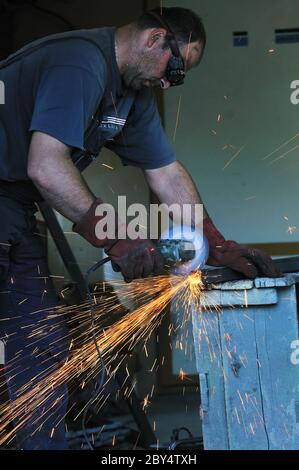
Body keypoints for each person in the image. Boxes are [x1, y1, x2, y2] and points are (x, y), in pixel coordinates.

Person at [0, 7, 279, 450]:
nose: (170, 83)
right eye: (175, 70)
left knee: (41, 348)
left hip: (15, 208)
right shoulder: (81, 62)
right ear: (154, 38)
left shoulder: (132, 95)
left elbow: (165, 172)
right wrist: (116, 237)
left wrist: (215, 242)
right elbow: (45, 165)